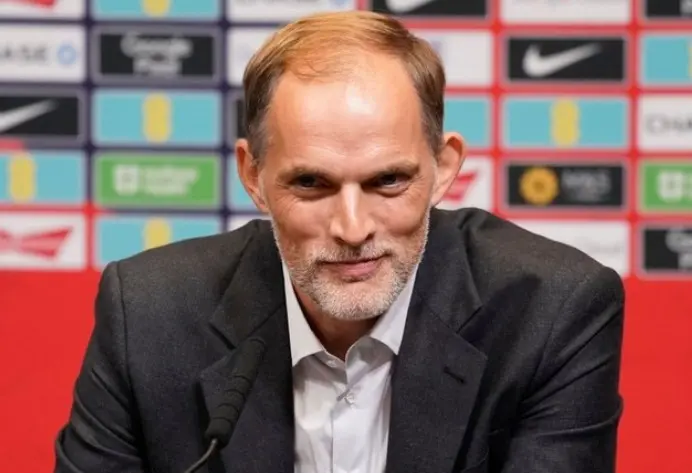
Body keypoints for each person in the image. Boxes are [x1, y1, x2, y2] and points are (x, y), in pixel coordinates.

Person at [54, 10, 625, 473]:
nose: (352, 229)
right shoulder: (147, 315)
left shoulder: (551, 313)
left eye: (389, 181)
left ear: (444, 168)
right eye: (311, 183)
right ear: (253, 176)